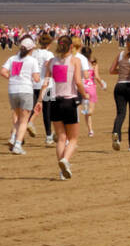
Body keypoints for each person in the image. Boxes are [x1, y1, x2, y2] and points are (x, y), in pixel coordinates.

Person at [40, 35, 87, 179]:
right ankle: (65, 160)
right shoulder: (75, 61)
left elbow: (45, 83)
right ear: (71, 46)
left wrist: (39, 101)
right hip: (69, 101)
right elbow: (78, 82)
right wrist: (85, 94)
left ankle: (62, 171)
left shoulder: (52, 62)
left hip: (55, 102)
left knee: (61, 138)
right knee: (73, 139)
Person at [3, 36, 40, 155]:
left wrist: (12, 78)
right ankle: (18, 145)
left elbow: (3, 71)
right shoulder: (32, 60)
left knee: (18, 118)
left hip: (12, 90)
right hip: (26, 90)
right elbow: (36, 78)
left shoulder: (12, 58)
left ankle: (13, 138)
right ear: (30, 49)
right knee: (24, 120)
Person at [109, 33, 130, 151]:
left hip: (119, 86)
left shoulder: (120, 55)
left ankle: (116, 133)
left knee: (121, 113)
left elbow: (111, 70)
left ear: (127, 43)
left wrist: (122, 71)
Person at [32, 33, 55, 146]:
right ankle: (49, 136)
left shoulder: (34, 53)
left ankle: (18, 134)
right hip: (47, 85)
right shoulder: (49, 54)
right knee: (47, 112)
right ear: (49, 44)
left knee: (31, 110)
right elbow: (51, 68)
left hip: (34, 85)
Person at [79, 45, 105, 136]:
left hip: (82, 87)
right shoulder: (94, 63)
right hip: (91, 87)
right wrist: (102, 84)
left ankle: (90, 130)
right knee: (90, 112)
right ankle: (90, 130)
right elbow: (97, 77)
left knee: (84, 111)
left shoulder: (79, 62)